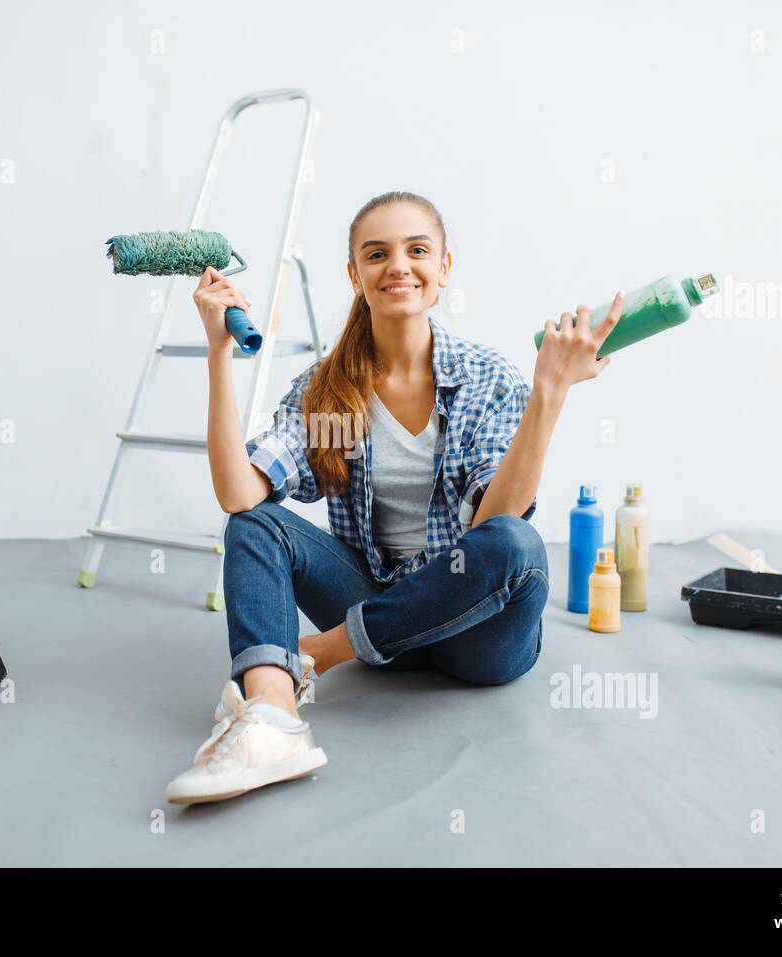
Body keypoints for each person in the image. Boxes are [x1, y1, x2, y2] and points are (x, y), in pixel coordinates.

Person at [166, 190, 622, 804]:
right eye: (377, 254)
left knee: (515, 542)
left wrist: (550, 392)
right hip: (375, 607)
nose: (398, 267)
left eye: (417, 250)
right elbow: (238, 492)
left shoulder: (488, 379)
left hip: (476, 639)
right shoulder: (326, 391)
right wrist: (220, 355)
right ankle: (272, 721)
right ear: (356, 275)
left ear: (444, 269)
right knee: (257, 522)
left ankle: (312, 658)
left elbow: (497, 523)